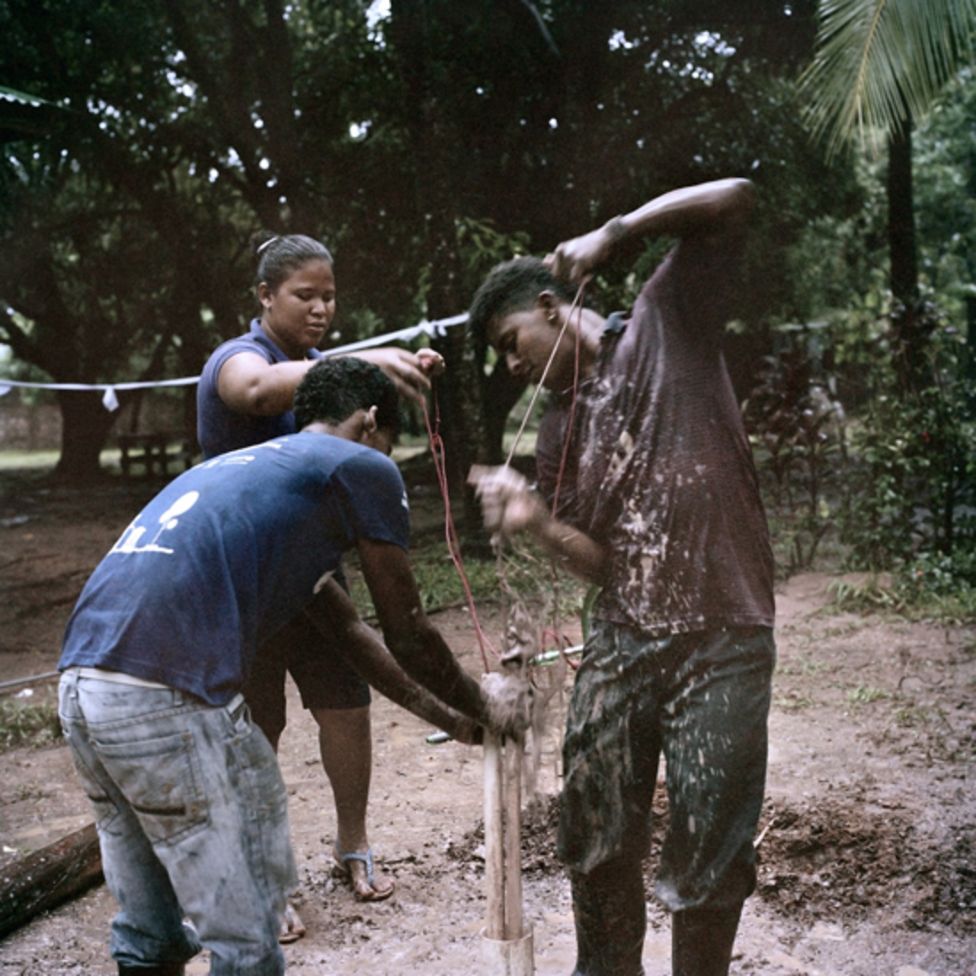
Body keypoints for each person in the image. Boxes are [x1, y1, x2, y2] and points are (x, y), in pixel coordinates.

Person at [59, 356, 519, 976]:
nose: (388, 453)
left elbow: (351, 634)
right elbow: (407, 632)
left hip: (82, 684)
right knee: (247, 943)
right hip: (163, 694)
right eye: (389, 439)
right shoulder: (360, 467)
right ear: (373, 420)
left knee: (150, 927)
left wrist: (452, 716)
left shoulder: (258, 477)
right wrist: (486, 703)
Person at [467, 178, 776, 976]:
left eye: (509, 340)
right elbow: (598, 559)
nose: (510, 365)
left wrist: (618, 231)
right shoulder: (560, 427)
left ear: (548, 303)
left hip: (724, 635)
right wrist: (536, 521)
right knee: (595, 832)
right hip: (623, 640)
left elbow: (737, 197)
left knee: (710, 848)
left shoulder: (665, 319)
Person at [196, 234, 441, 922]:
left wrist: (399, 374)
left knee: (345, 706)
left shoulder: (315, 365)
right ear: (265, 296)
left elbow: (356, 422)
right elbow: (252, 391)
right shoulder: (237, 359)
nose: (321, 308)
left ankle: (353, 845)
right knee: (258, 727)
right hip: (244, 581)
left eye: (329, 296)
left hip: (314, 575)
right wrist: (358, 362)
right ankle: (260, 876)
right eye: (305, 295)